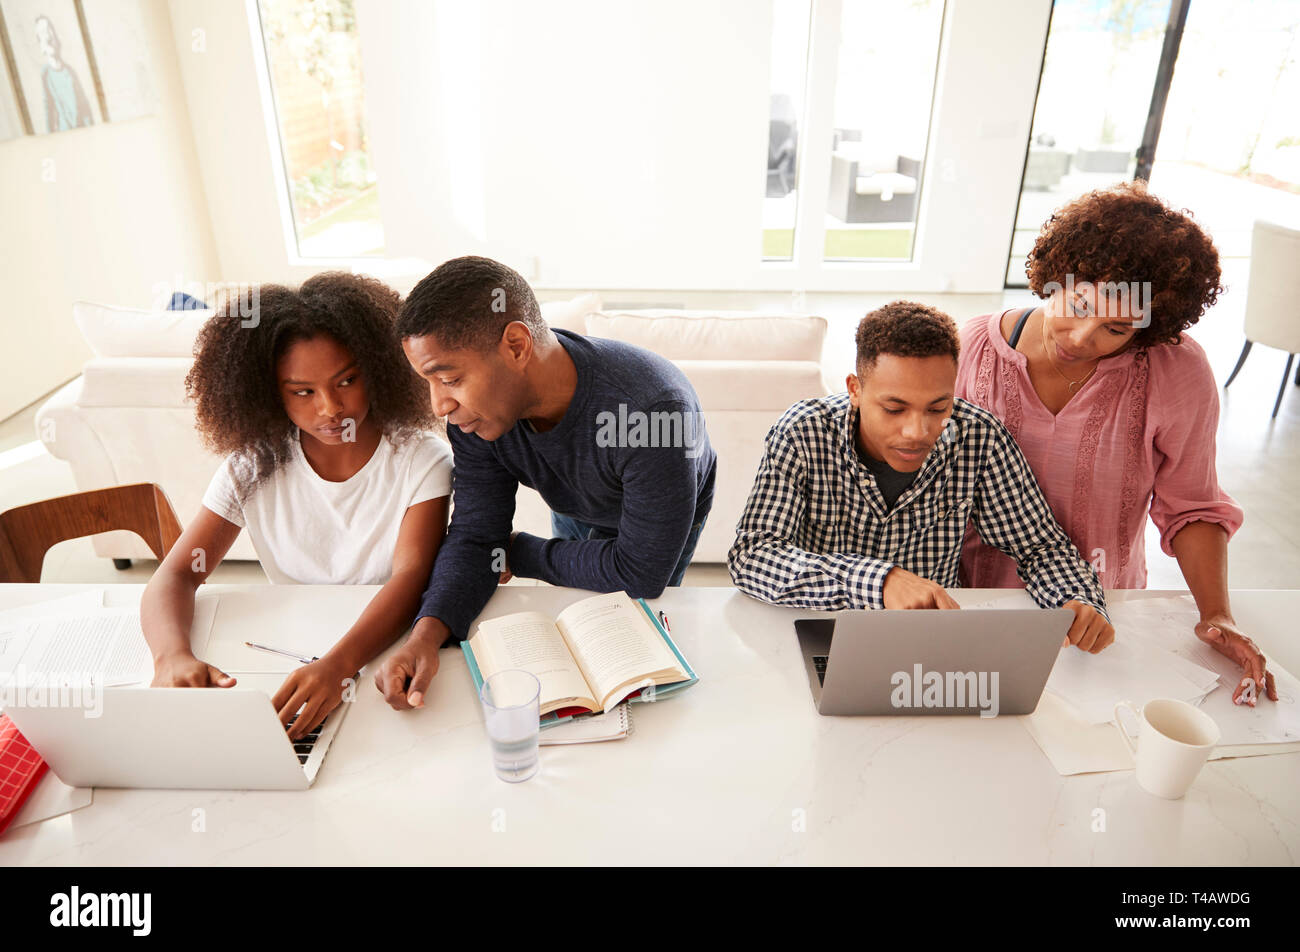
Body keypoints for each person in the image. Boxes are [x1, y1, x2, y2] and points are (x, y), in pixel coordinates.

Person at [956, 181, 1275, 706]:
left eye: (1116, 327)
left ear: (1150, 328)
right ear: (1056, 276)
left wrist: (1216, 612)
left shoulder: (1177, 372)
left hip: (1101, 616)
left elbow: (1192, 506)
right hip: (975, 602)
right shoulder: (971, 349)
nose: (1081, 337)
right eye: (1078, 303)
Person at [375, 256, 716, 710]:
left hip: (664, 502)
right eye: (429, 382)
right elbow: (477, 535)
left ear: (516, 345)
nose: (439, 406)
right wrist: (425, 633)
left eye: (450, 378)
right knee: (581, 606)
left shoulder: (652, 410)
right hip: (576, 497)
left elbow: (640, 571)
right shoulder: (474, 415)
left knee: (633, 628)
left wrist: (517, 552)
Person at [141, 273, 452, 738]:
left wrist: (341, 665)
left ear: (378, 368)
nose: (330, 408)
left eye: (346, 380)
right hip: (287, 657)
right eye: (302, 391)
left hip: (386, 661)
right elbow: (177, 574)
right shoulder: (250, 468)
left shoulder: (420, 459)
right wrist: (171, 656)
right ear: (269, 392)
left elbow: (412, 578)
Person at [728, 300, 1112, 652]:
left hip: (931, 646)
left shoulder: (979, 437)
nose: (917, 431)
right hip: (819, 634)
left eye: (937, 408)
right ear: (855, 390)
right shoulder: (803, 432)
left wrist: (1075, 598)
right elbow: (752, 557)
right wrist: (879, 580)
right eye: (894, 409)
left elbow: (1040, 547)